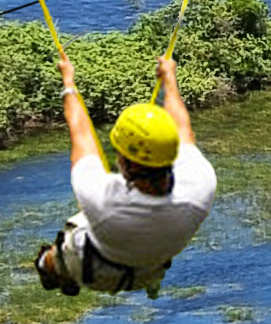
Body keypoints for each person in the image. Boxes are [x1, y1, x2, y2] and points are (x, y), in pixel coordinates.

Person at [34, 51, 215, 296]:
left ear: (126, 164)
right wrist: (169, 78)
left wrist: (68, 82)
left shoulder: (103, 198)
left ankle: (50, 267)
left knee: (56, 254)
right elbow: (183, 129)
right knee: (103, 228)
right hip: (147, 270)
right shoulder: (200, 185)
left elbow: (81, 134)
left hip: (91, 269)